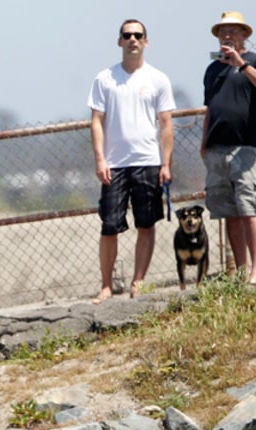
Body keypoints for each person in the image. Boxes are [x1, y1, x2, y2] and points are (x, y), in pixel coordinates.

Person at [88, 19, 176, 304]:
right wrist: (100, 160)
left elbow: (165, 125)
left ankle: (138, 282)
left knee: (146, 224)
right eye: (127, 35)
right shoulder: (105, 79)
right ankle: (106, 285)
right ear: (119, 41)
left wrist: (165, 164)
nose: (133, 40)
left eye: (138, 35)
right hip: (115, 164)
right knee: (109, 225)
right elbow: (96, 121)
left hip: (148, 161)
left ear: (146, 41)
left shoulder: (158, 79)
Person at [202, 11, 256, 285]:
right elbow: (209, 110)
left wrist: (242, 66)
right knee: (230, 213)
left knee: (251, 209)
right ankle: (239, 271)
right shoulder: (212, 70)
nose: (227, 36)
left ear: (244, 35)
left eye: (233, 31)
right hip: (217, 149)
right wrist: (204, 144)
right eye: (223, 32)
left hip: (246, 149)